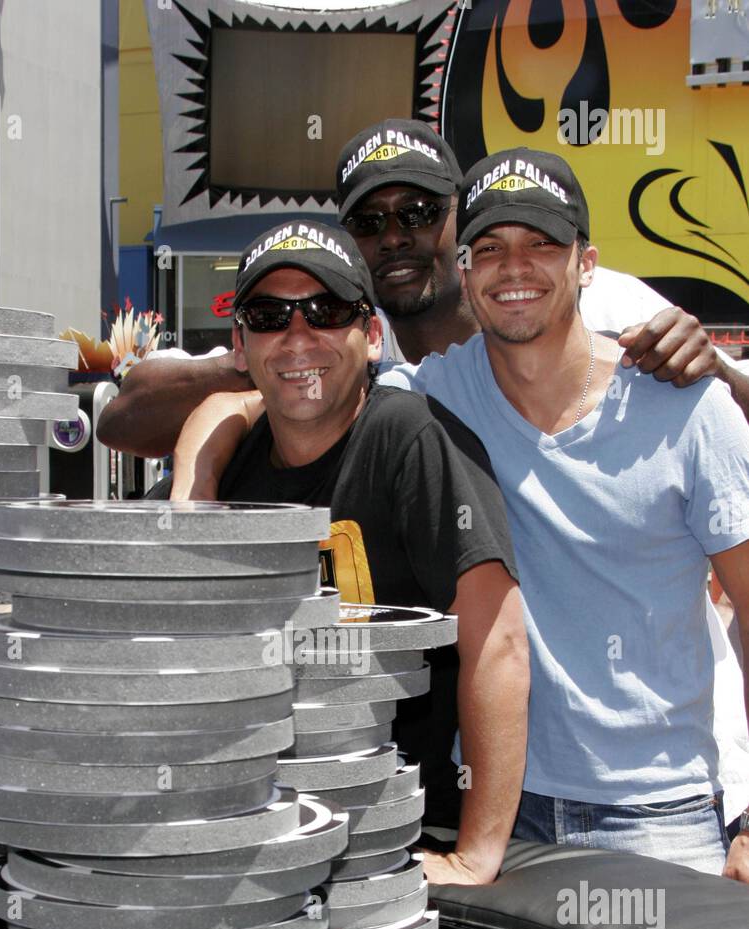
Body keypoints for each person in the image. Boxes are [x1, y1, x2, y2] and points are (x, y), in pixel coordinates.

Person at [378, 146, 749, 881]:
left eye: (540, 244)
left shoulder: (688, 407)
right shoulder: (431, 400)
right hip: (490, 813)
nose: (514, 268)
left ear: (587, 263)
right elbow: (297, 393)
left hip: (660, 819)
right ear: (465, 272)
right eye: (489, 249)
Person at [146, 222, 530, 887]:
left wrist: (478, 851)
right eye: (269, 316)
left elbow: (499, 640)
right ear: (241, 345)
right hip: (248, 826)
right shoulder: (227, 460)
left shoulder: (406, 436)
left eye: (325, 312)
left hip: (387, 837)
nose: (298, 338)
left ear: (372, 337)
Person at [95, 120, 749, 457]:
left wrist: (714, 366)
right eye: (369, 223)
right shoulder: (345, 335)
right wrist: (278, 365)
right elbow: (123, 420)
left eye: (418, 213)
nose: (395, 237)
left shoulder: (589, 300)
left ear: (462, 215)